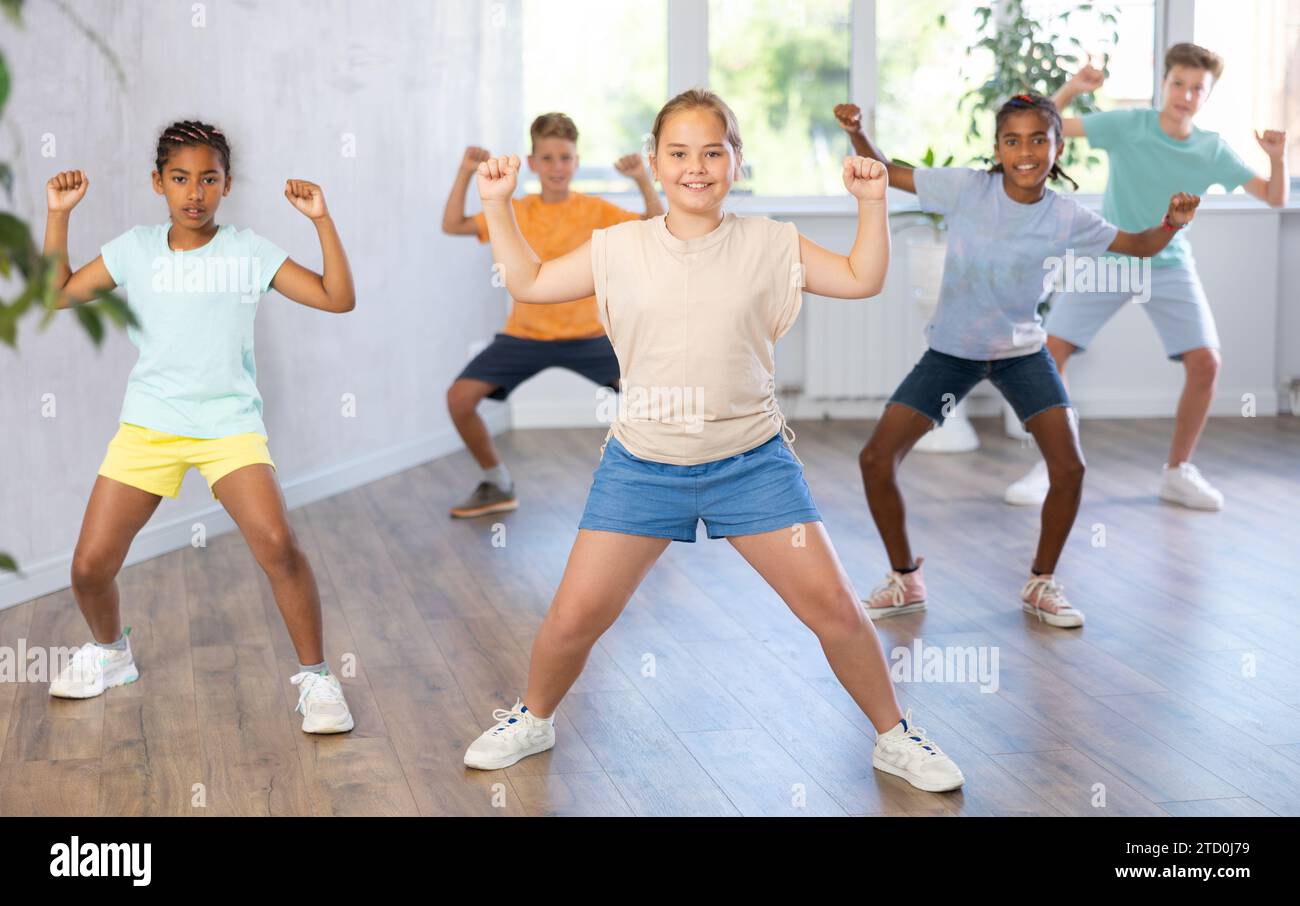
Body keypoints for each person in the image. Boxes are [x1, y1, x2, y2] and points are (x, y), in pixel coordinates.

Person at [461, 89, 966, 794]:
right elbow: (531, 279)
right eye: (678, 153)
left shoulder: (770, 242)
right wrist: (495, 201)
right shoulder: (618, 247)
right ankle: (534, 717)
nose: (695, 167)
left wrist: (873, 202)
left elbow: (861, 277)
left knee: (837, 611)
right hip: (643, 465)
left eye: (712, 151)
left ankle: (893, 735)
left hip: (751, 463)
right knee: (573, 618)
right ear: (655, 162)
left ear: (736, 161)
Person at [835, 94, 1199, 628]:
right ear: (998, 149)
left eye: (1038, 139)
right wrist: (857, 131)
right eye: (1013, 140)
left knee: (1070, 468)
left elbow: (1140, 245)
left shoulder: (1066, 215)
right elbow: (888, 172)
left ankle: (1041, 583)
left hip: (1021, 354)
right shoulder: (967, 189)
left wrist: (1171, 223)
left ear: (1056, 148)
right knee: (875, 460)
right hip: (952, 352)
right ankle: (905, 579)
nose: (1025, 151)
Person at [43, 120, 356, 733]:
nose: (194, 192)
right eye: (180, 179)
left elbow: (336, 298)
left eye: (208, 179)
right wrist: (58, 215)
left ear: (227, 185)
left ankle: (317, 679)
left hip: (227, 425)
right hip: (150, 424)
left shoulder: (248, 251)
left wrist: (321, 219)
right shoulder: (135, 248)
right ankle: (111, 654)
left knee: (278, 545)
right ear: (157, 183)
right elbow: (56, 293)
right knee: (87, 568)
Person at [1005, 45, 1289, 510]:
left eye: (1197, 88)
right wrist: (1075, 87)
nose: (1186, 94)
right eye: (1178, 83)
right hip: (1110, 254)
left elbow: (1275, 198)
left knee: (1207, 363)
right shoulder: (1128, 126)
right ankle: (1052, 466)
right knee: (1050, 353)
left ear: (1207, 96)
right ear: (1164, 84)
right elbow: (1044, 126)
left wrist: (1277, 158)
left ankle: (1177, 472)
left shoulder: (1211, 148)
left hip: (1168, 262)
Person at [441, 113, 664, 517]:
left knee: (651, 397)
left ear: (575, 163)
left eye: (565, 157)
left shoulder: (596, 210)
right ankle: (497, 483)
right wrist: (465, 172)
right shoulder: (516, 209)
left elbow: (654, 225)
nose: (557, 166)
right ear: (532, 163)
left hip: (589, 336)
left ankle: (656, 483)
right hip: (524, 336)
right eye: (548, 158)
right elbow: (453, 224)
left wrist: (643, 181)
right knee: (459, 399)